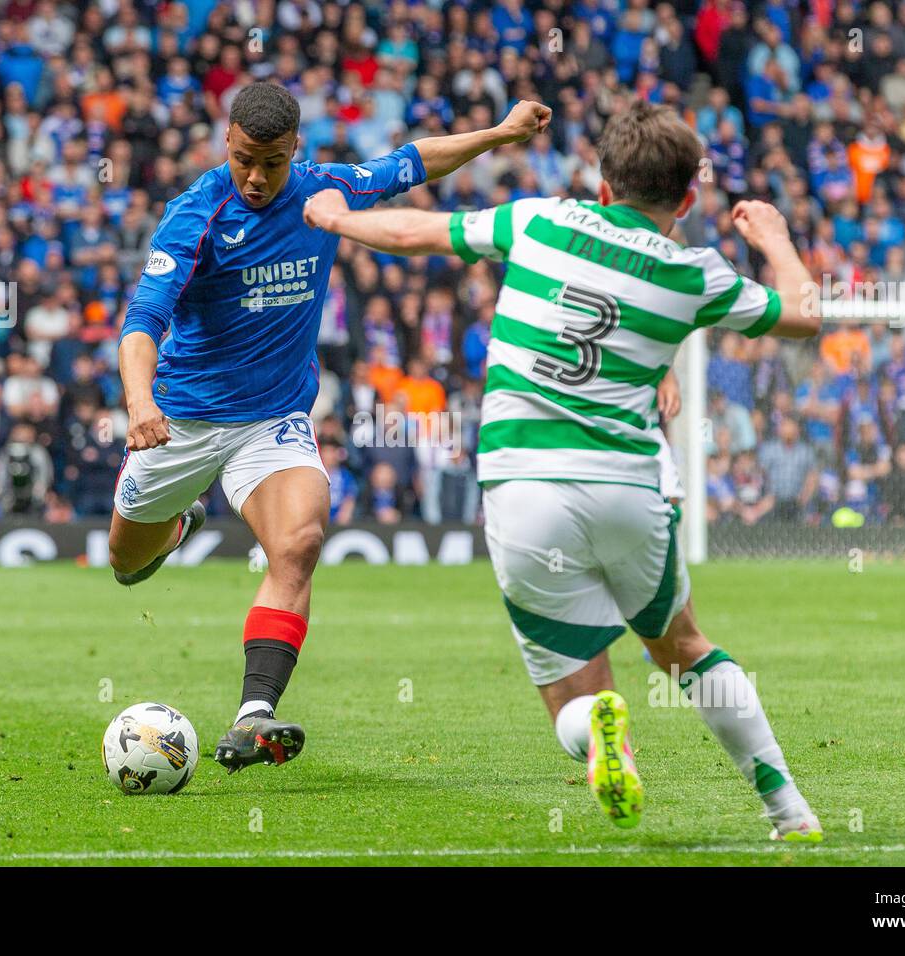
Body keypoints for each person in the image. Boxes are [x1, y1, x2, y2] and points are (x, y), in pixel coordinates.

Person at [304, 99, 824, 842]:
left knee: (567, 686)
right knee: (681, 647)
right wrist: (775, 239)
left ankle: (600, 736)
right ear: (687, 197)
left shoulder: (540, 221)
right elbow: (805, 315)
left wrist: (334, 217)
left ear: (602, 186)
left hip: (523, 488)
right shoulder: (694, 272)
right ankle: (788, 810)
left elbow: (414, 231)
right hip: (628, 489)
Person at [108, 81, 551, 774]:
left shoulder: (322, 193)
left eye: (273, 163)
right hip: (181, 422)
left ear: (295, 151)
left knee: (300, 543)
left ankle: (254, 713)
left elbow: (413, 162)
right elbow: (142, 324)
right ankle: (175, 527)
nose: (257, 177)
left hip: (272, 420)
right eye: (246, 159)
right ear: (227, 139)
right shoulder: (194, 215)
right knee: (126, 565)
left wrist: (499, 133)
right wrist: (140, 404)